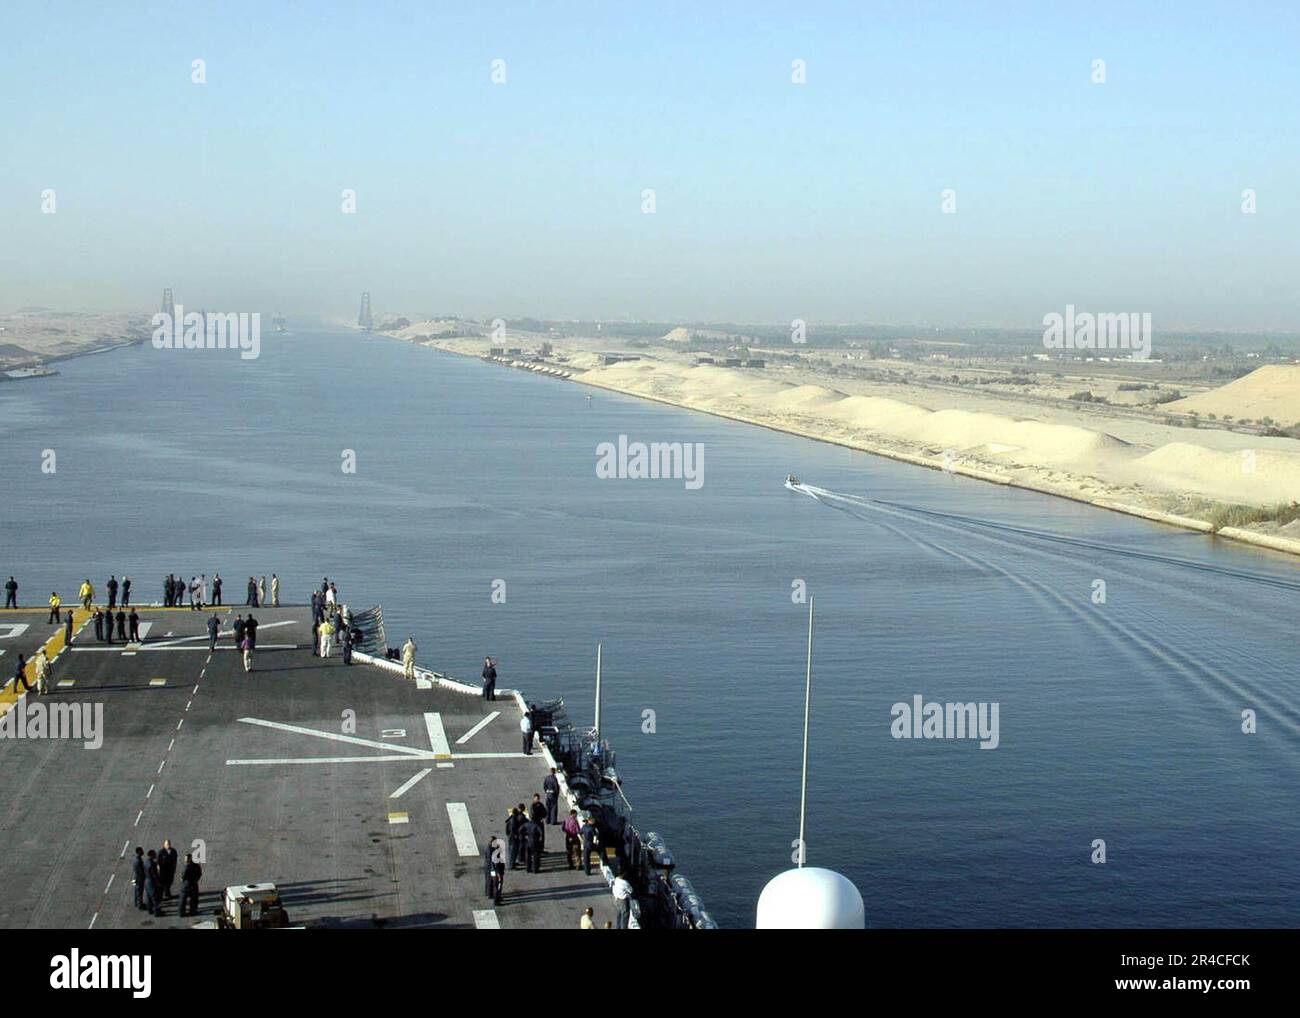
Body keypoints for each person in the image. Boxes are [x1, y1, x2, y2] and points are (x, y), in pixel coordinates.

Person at [179, 852, 203, 917]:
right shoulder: (196, 865)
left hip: (186, 885)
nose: (185, 860)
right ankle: (193, 911)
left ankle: (181, 912)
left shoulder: (186, 867)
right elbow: (199, 874)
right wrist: (196, 880)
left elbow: (182, 878)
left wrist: (183, 881)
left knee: (183, 899)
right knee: (194, 899)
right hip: (194, 884)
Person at [143, 850, 161, 915]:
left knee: (148, 897)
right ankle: (157, 912)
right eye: (154, 854)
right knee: (155, 897)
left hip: (146, 881)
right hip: (151, 882)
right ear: (152, 855)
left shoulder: (145, 862)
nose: (155, 855)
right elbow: (154, 875)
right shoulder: (152, 864)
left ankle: (150, 910)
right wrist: (158, 883)